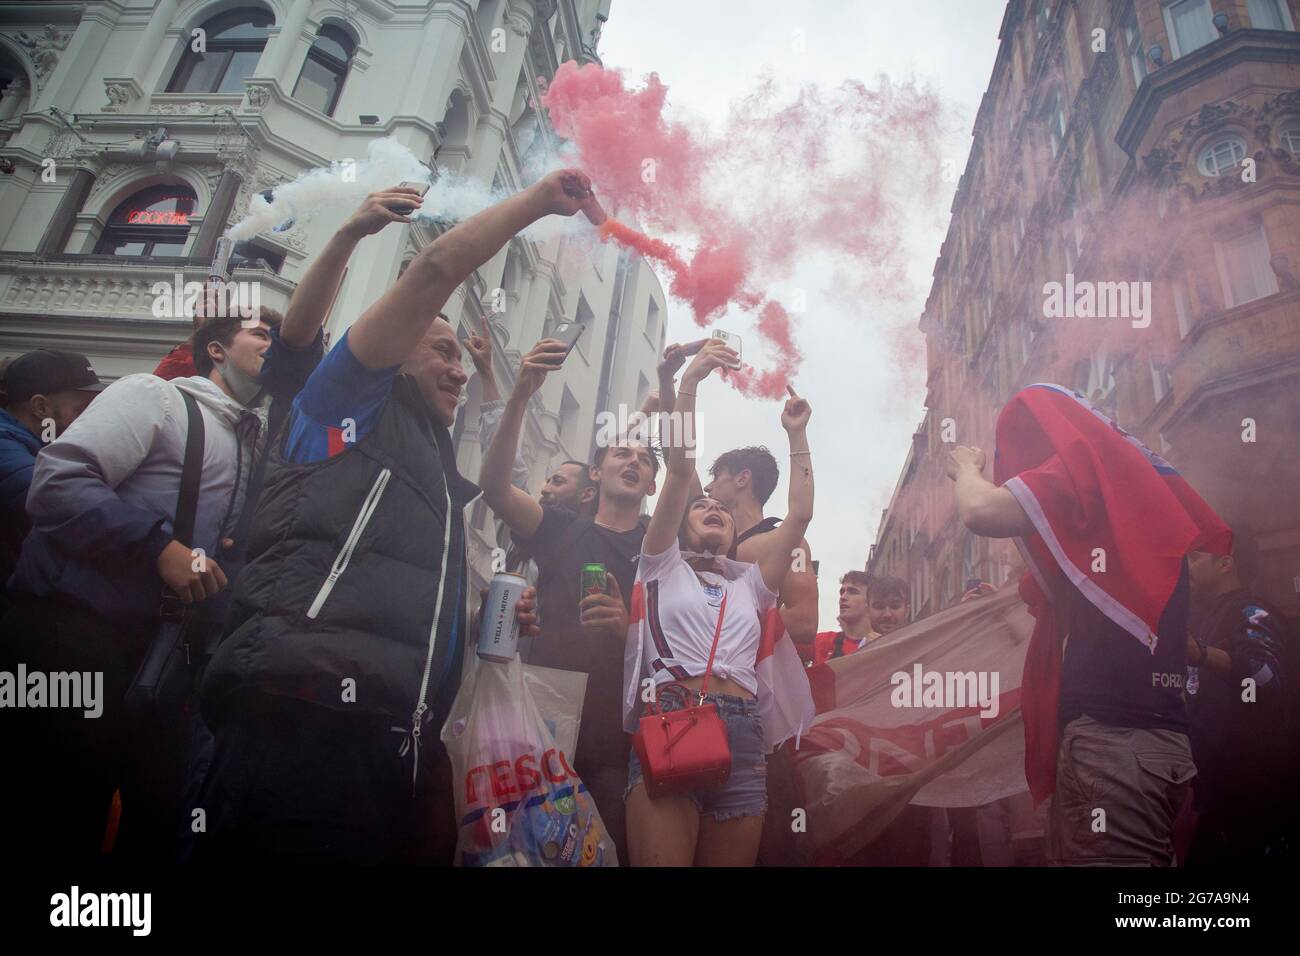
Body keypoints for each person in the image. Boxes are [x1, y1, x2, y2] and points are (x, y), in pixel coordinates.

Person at [193, 170, 595, 865]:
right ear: (391, 351)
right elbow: (437, 267)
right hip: (303, 717)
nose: (459, 369)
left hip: (393, 736)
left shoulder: (432, 467)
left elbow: (382, 585)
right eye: (440, 350)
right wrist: (538, 200)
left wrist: (471, 626)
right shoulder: (343, 407)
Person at [0, 311, 277, 862]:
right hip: (73, 637)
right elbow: (56, 482)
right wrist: (158, 547)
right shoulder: (155, 396)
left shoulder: (249, 440)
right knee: (52, 813)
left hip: (157, 659)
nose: (274, 347)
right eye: (261, 334)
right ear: (216, 350)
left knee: (150, 819)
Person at [945, 383, 1232, 867]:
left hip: (1113, 748)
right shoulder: (1138, 483)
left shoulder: (1086, 469)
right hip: (1158, 743)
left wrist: (966, 471)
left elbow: (981, 510)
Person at [623, 339, 814, 867]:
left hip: (745, 734)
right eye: (700, 507)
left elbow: (798, 518)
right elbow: (681, 468)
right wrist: (689, 384)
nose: (711, 508)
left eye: (720, 510)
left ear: (734, 533)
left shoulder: (752, 585)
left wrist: (797, 435)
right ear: (679, 527)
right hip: (673, 717)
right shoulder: (660, 564)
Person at [478, 335, 657, 857]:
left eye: (645, 459)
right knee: (526, 852)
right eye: (621, 452)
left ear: (651, 484)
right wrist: (519, 398)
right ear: (596, 474)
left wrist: (628, 629)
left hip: (622, 740)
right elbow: (494, 487)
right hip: (545, 725)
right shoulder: (559, 529)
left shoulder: (660, 548)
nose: (634, 460)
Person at [1184, 541, 1295, 864]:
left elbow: (1266, 680)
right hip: (1214, 798)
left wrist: (1202, 655)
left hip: (1258, 799)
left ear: (1225, 564)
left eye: (1194, 557)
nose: (1185, 566)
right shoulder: (1200, 618)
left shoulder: (1250, 612)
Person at [0, 349, 106, 593]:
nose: (91, 419)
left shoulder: (41, 446)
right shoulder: (4, 445)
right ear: (40, 407)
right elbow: (55, 497)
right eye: (81, 410)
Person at [813, 571, 879, 665]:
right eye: (842, 592)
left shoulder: (882, 647)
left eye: (852, 592)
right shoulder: (822, 642)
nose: (843, 597)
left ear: (871, 600)